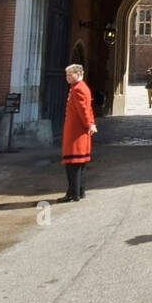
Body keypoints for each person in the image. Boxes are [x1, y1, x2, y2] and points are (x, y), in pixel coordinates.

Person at [60, 63, 97, 202]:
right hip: (79, 130)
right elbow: (88, 109)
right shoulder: (81, 87)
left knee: (73, 163)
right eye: (67, 75)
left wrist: (89, 123)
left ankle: (73, 193)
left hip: (76, 132)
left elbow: (83, 110)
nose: (67, 77)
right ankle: (80, 192)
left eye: (70, 75)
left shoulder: (77, 89)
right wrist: (91, 123)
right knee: (80, 163)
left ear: (79, 74)